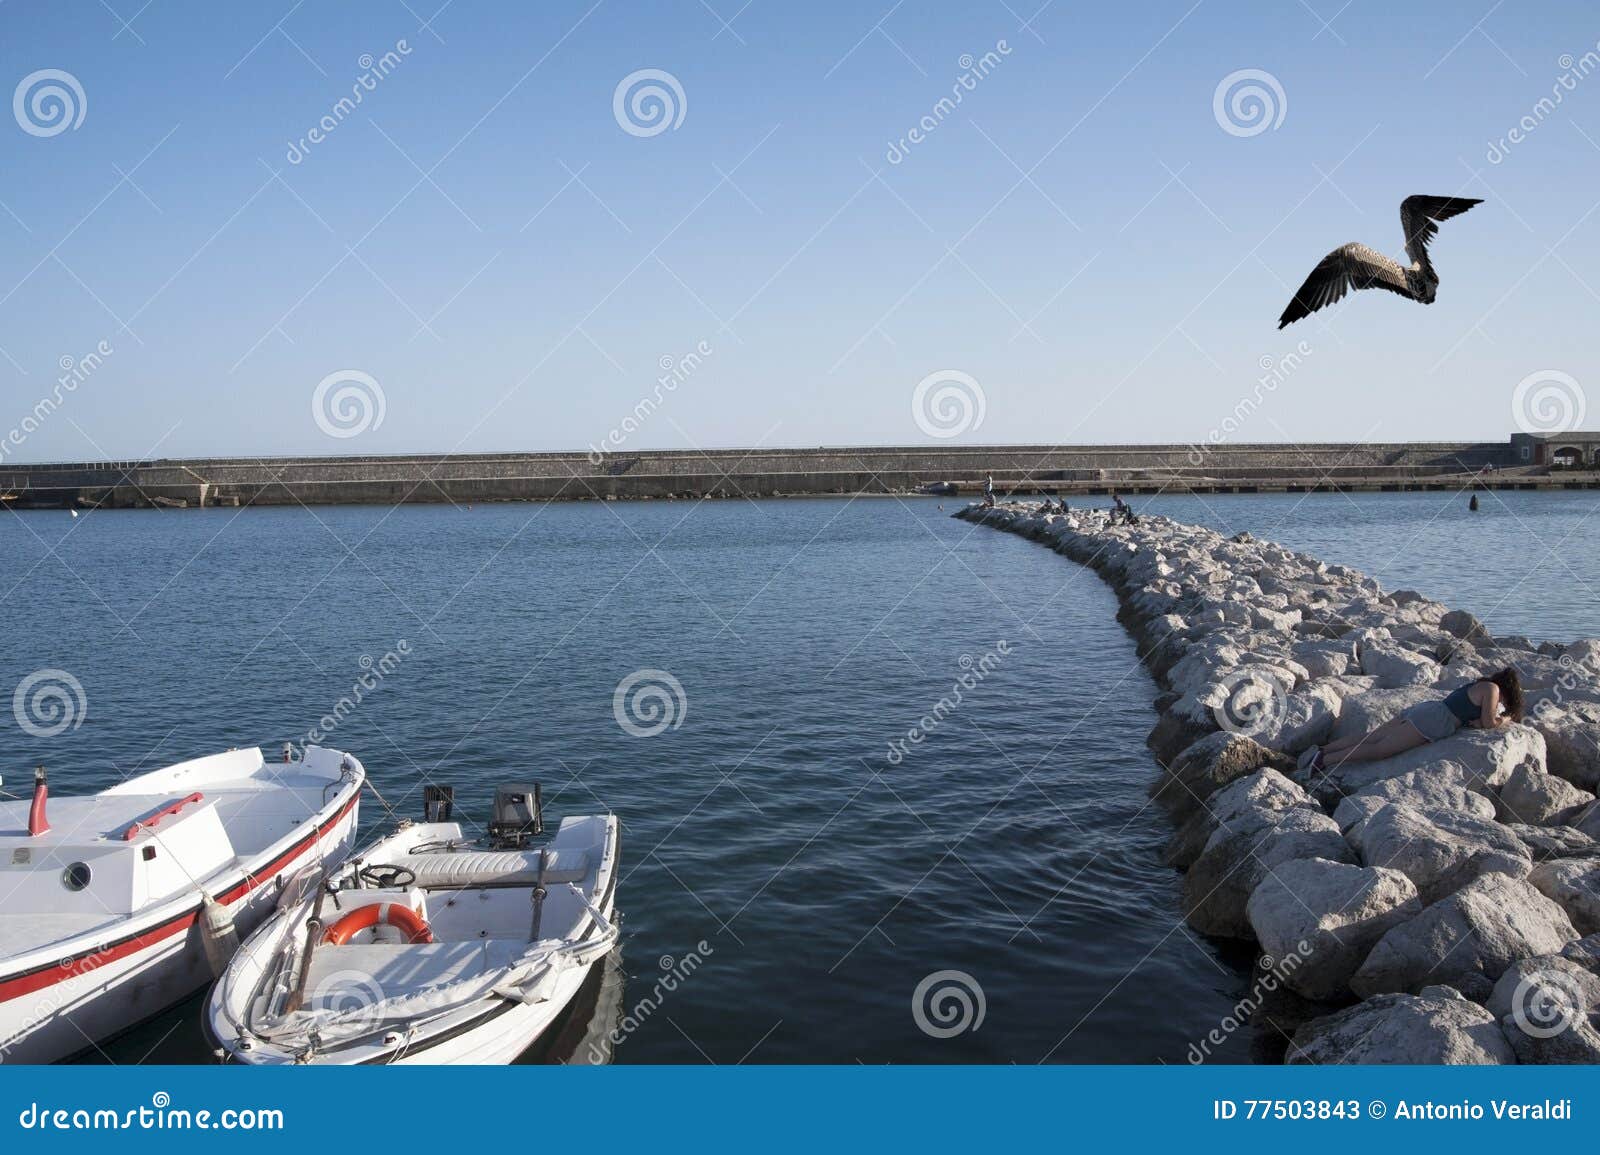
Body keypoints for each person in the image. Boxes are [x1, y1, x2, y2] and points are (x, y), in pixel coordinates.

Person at [1300, 668, 1523, 773]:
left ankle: (1322, 750)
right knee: (1380, 750)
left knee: (1372, 737)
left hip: (1428, 709)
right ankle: (1323, 762)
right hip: (1435, 720)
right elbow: (1488, 722)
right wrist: (1504, 718)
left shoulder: (1482, 684)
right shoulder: (1492, 690)